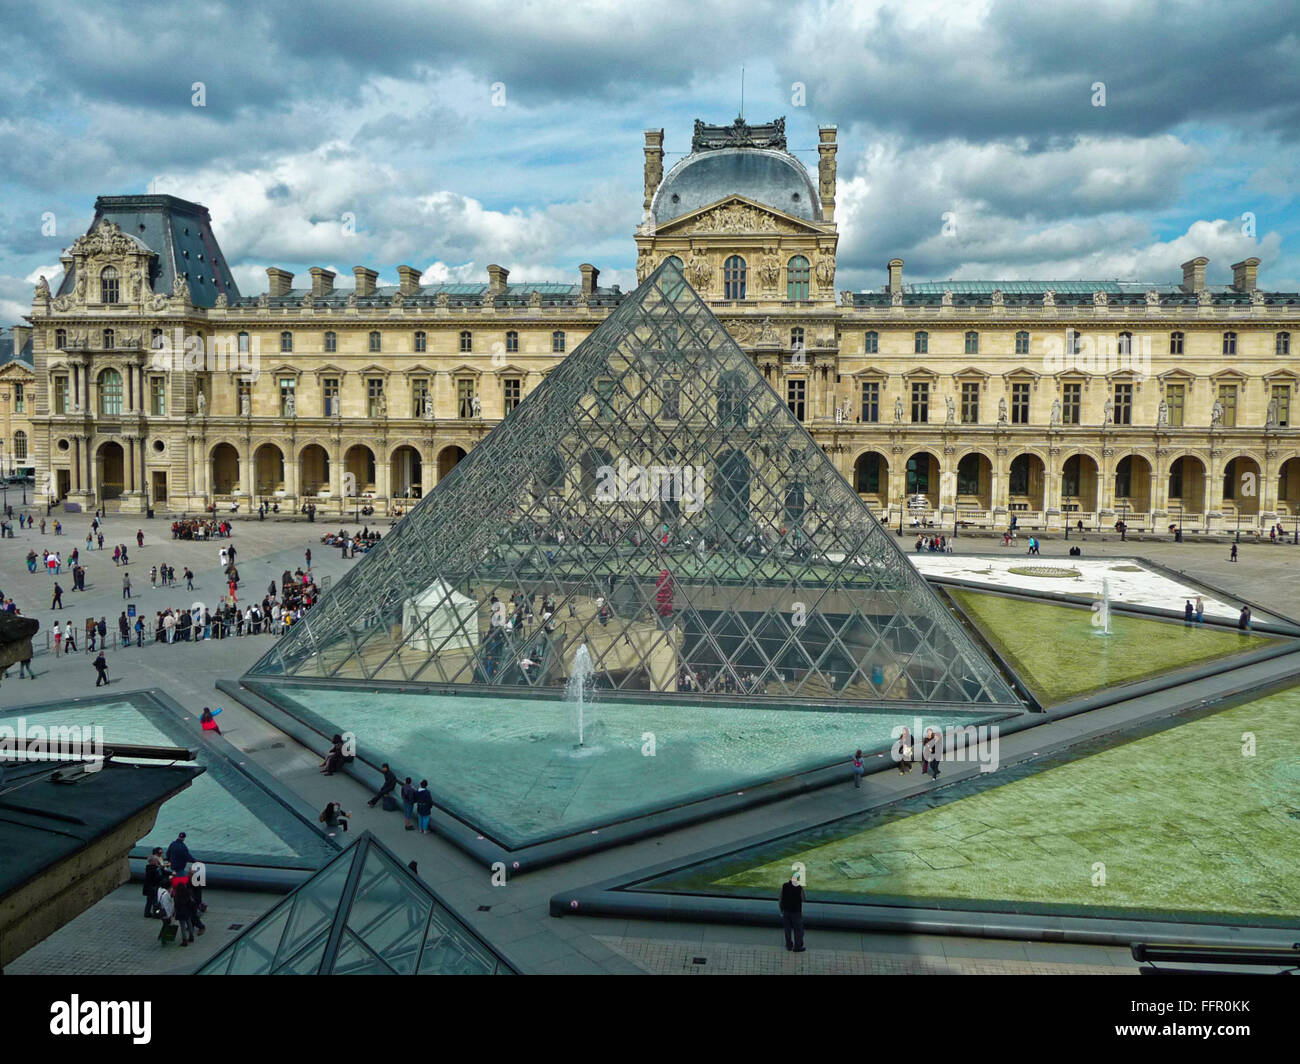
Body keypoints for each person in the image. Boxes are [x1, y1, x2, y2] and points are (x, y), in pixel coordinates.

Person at [779, 873, 806, 953]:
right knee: (798, 930)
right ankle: (797, 947)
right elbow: (804, 899)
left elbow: (780, 898)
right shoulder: (799, 887)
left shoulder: (784, 886)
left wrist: (781, 909)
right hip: (796, 912)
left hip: (786, 911)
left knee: (787, 930)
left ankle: (789, 946)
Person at [142, 848, 167, 917]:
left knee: (149, 901)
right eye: (156, 861)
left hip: (149, 887)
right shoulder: (154, 869)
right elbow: (157, 877)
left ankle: (147, 913)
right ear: (153, 861)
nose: (157, 862)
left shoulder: (149, 868)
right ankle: (156, 914)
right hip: (153, 887)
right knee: (155, 901)